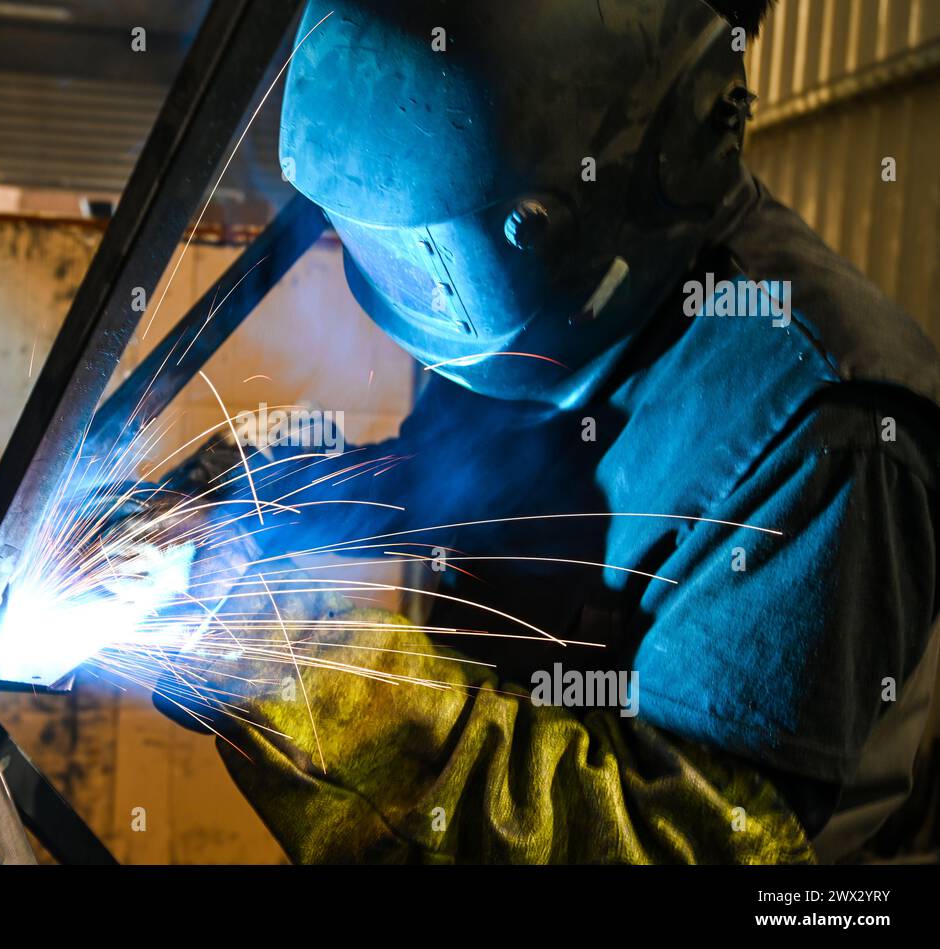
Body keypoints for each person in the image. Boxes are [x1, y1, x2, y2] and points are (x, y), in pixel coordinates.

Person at [159, 0, 940, 863]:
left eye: (438, 271)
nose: (426, 304)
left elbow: (675, 843)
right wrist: (265, 501)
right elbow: (456, 484)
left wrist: (300, 667)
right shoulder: (541, 310)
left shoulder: (829, 433)